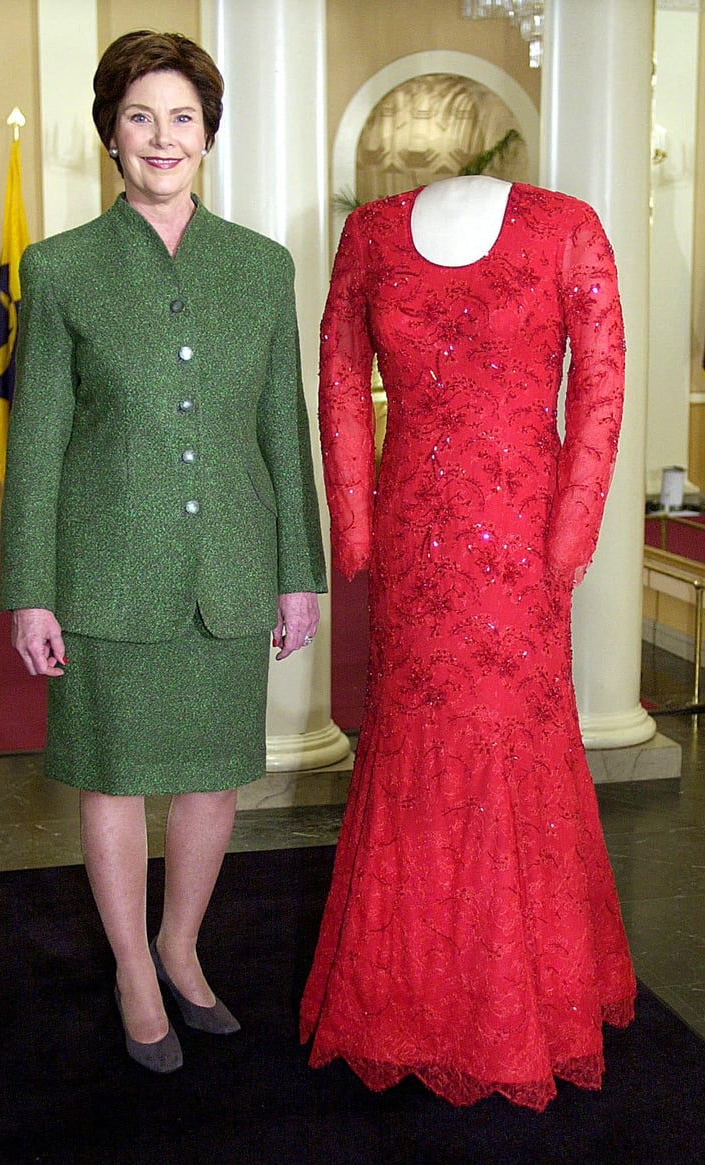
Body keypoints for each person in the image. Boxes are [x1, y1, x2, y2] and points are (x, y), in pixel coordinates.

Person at [0, 30, 326, 1074]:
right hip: (104, 574)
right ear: (111, 132)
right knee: (111, 781)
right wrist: (29, 590)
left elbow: (283, 430)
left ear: (208, 134)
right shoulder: (59, 269)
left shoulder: (261, 267)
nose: (161, 136)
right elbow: (36, 444)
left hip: (229, 566)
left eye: (182, 116)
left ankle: (179, 947)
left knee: (212, 779)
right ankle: (132, 973)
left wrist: (297, 572)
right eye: (139, 116)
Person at [300, 174, 636, 1111]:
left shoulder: (566, 229)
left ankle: (523, 999)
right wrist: (354, 522)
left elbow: (602, 388)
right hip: (414, 531)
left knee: (513, 738)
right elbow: (338, 377)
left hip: (522, 537)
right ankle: (408, 998)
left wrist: (572, 531)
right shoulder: (371, 236)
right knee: (410, 737)